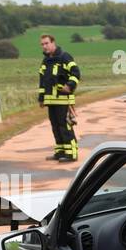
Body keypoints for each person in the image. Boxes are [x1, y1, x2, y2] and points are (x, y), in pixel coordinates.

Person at [38, 34, 80, 162]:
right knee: (55, 126)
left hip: (63, 100)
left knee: (65, 126)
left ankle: (71, 153)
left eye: (46, 43)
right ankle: (60, 151)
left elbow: (76, 73)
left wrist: (69, 85)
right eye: (42, 44)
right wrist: (41, 98)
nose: (44, 46)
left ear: (53, 43)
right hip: (51, 101)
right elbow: (42, 81)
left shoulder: (64, 57)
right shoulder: (45, 61)